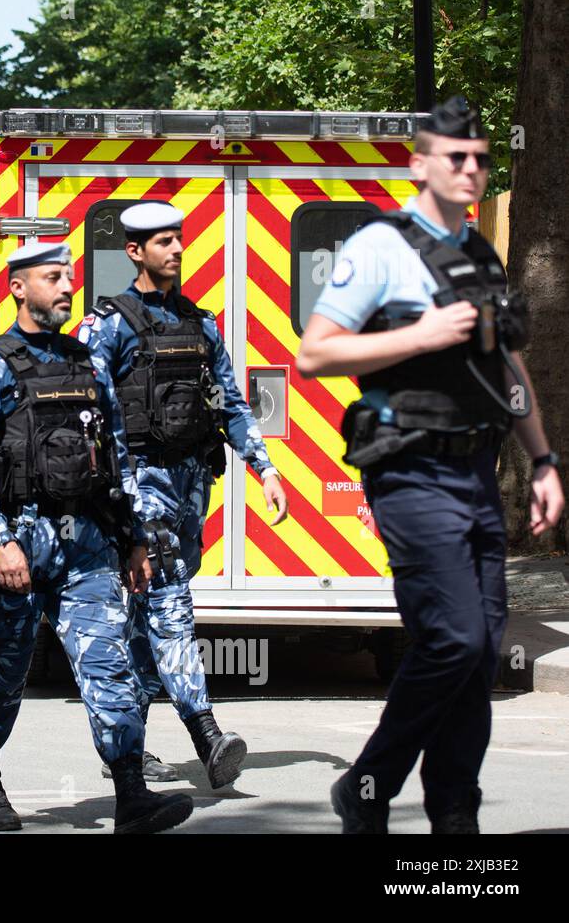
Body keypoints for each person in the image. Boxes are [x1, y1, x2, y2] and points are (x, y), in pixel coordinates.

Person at [296, 95, 564, 834]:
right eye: (457, 158)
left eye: (481, 159)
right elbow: (314, 353)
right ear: (421, 164)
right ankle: (370, 785)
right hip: (410, 468)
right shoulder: (379, 246)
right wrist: (419, 334)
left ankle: (454, 812)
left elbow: (507, 366)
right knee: (453, 638)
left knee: (478, 655)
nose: (473, 170)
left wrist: (542, 458)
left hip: (478, 467)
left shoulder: (481, 253)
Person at [0, 240, 192, 835]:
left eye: (68, 277)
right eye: (53, 278)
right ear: (18, 288)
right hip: (19, 542)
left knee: (109, 666)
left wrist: (134, 538)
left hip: (86, 543)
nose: (65, 287)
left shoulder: (87, 364)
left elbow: (119, 456)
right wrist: (1, 541)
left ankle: (132, 796)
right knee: (5, 672)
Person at [80, 201, 289, 789]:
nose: (175, 249)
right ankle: (207, 733)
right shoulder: (109, 325)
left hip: (190, 487)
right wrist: (111, 499)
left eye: (178, 239)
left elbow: (230, 404)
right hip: (138, 488)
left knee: (150, 614)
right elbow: (90, 414)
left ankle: (127, 745)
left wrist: (265, 468)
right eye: (162, 241)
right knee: (170, 605)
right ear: (134, 252)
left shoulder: (202, 325)